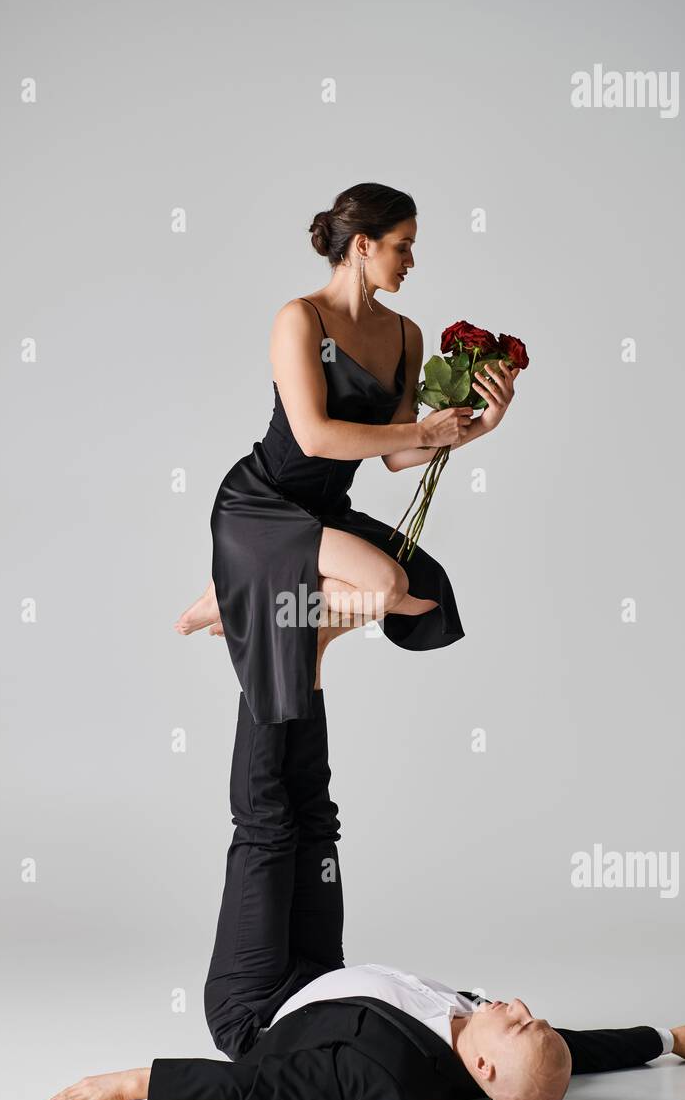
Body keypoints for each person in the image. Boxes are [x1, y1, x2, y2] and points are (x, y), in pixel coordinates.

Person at [44, 691, 685, 1100]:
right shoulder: (492, 1045)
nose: (520, 1006)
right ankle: (302, 656)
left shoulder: (390, 1081)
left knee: (266, 827)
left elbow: (261, 1087)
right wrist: (671, 1041)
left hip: (255, 1005)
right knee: (316, 822)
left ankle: (261, 653)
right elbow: (578, 1053)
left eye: (520, 1025)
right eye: (534, 1016)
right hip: (317, 970)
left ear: (486, 1072)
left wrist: (135, 1082)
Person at [173, 181, 520, 723]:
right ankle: (243, 588)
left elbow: (398, 455)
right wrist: (423, 434)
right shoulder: (301, 318)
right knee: (389, 586)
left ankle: (255, 597)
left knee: (427, 593)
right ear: (362, 245)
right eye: (401, 246)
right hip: (263, 504)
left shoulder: (406, 335)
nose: (412, 260)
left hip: (327, 512)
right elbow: (315, 436)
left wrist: (482, 426)